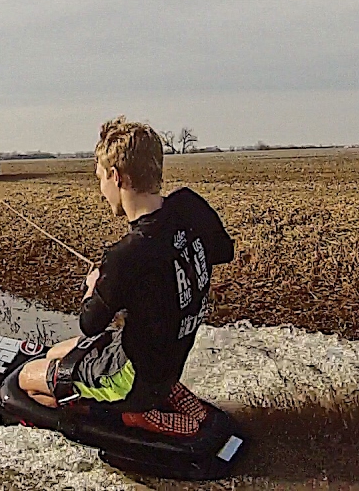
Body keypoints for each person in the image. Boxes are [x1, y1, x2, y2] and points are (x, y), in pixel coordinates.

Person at [18, 116, 233, 433]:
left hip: (137, 377)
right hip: (168, 356)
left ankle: (136, 415)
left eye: (100, 178)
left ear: (115, 177)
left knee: (28, 379)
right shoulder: (189, 205)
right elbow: (222, 251)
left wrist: (95, 286)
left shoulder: (126, 255)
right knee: (56, 352)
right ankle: (159, 394)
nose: (102, 190)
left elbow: (89, 324)